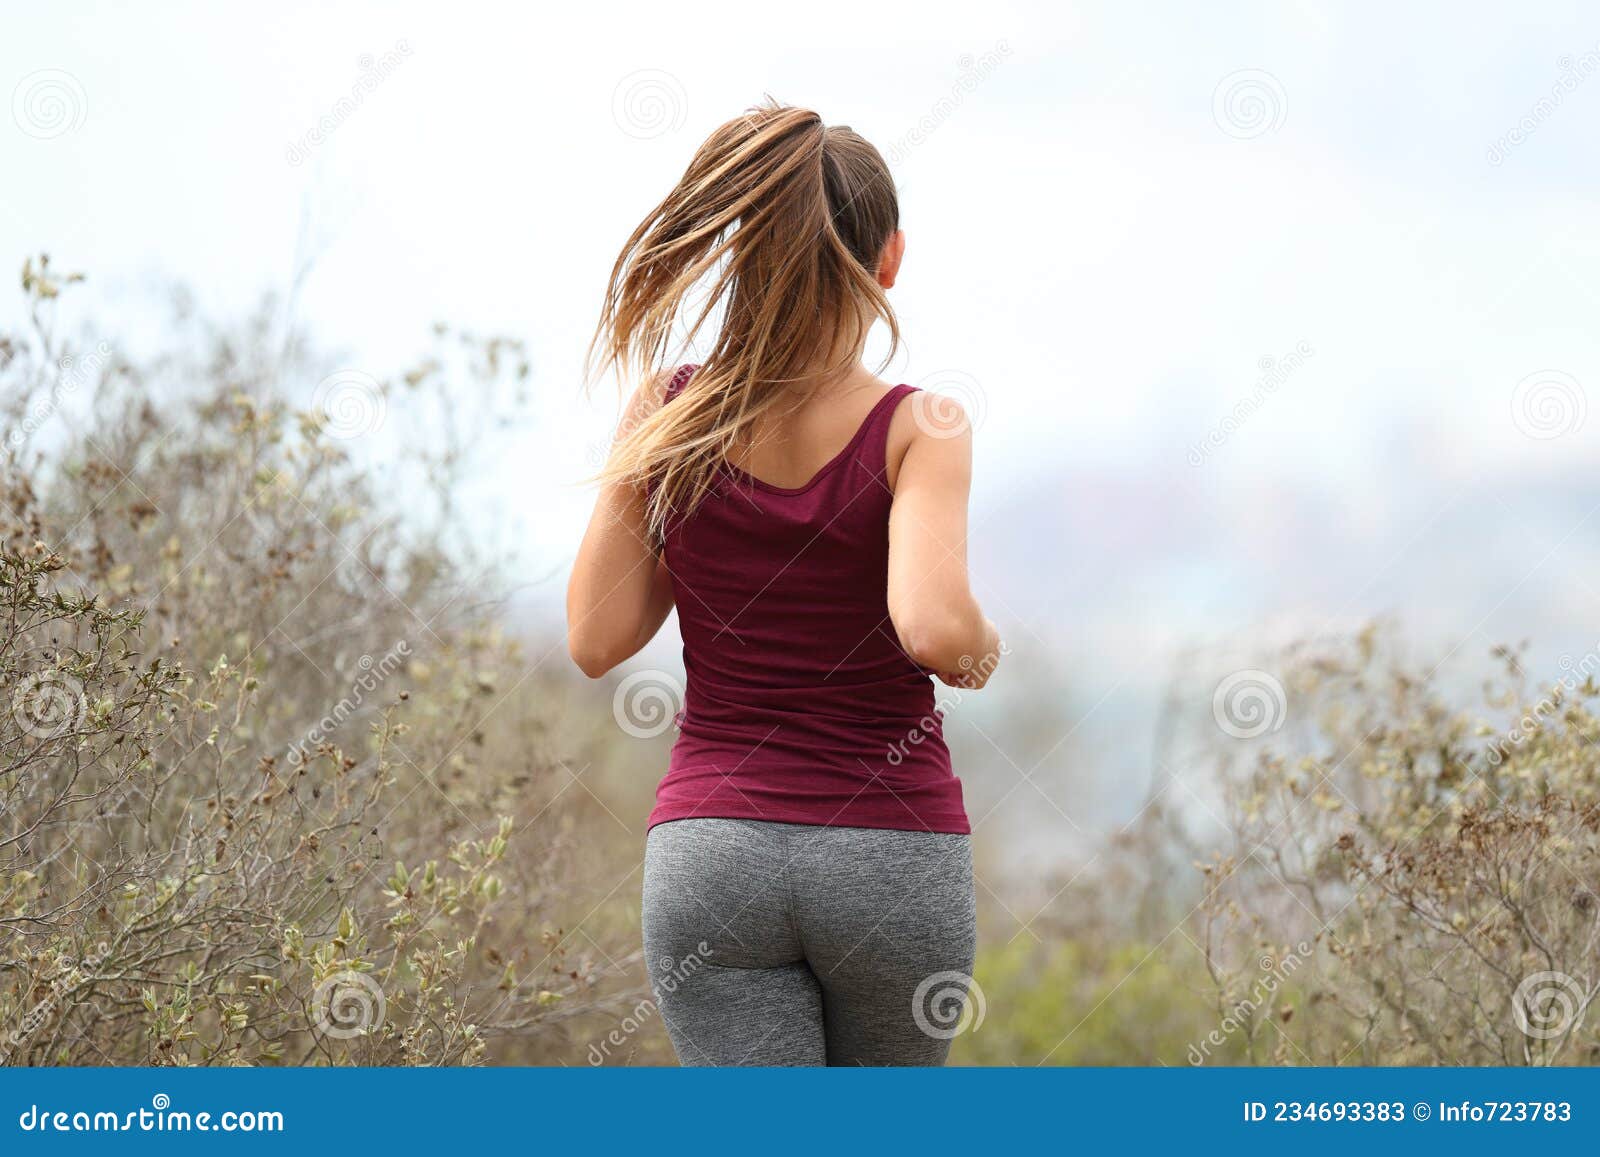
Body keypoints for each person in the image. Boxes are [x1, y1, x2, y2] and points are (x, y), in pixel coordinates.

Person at [568, 102, 1001, 1065]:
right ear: (889, 258)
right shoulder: (919, 425)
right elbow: (934, 629)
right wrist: (987, 647)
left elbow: (598, 637)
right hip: (888, 852)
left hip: (710, 853)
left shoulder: (668, 412)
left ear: (748, 252)